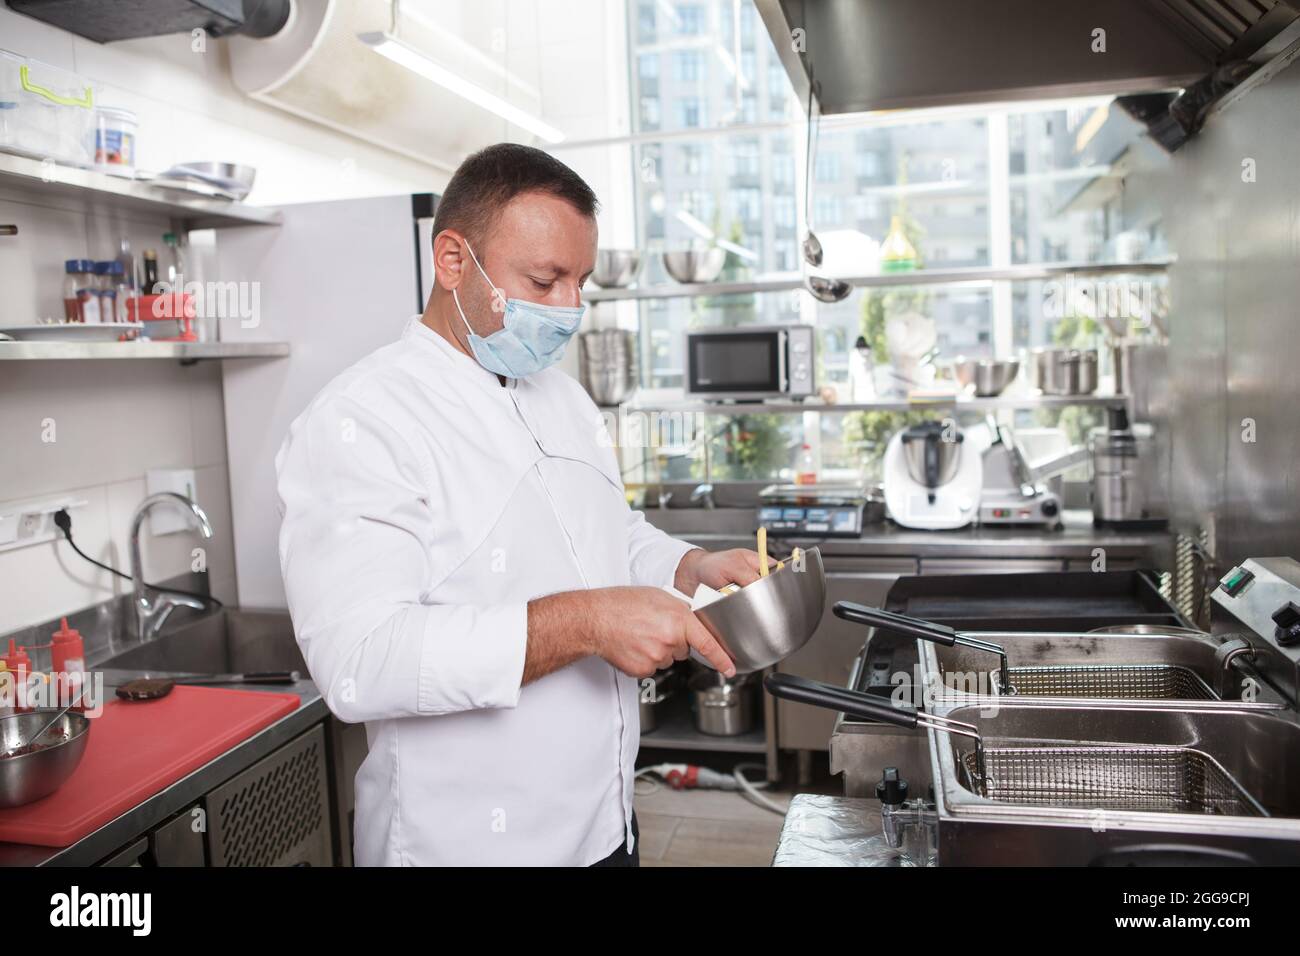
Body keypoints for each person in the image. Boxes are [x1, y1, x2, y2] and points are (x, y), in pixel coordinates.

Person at [275, 143, 763, 866]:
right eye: (544, 279)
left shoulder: (561, 396)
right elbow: (361, 659)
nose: (570, 308)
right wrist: (587, 622)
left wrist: (687, 564)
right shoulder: (363, 420)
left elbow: (601, 534)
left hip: (604, 826)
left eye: (581, 281)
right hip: (468, 847)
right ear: (451, 261)